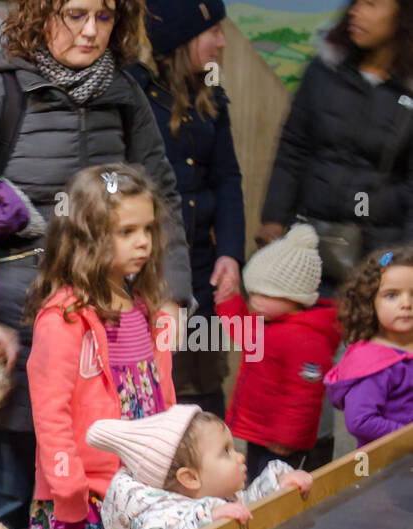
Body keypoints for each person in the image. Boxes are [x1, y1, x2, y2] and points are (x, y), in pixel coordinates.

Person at [0, 0, 191, 529]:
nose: (90, 31)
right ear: (39, 14)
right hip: (23, 327)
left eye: (104, 16)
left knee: (103, 489)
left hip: (113, 328)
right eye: (74, 14)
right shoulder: (1, 93)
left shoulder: (125, 97)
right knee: (13, 500)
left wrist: (173, 295)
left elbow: (162, 198)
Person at [24, 165, 178, 529]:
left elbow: (159, 395)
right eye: (126, 231)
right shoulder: (63, 318)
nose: (143, 241)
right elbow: (50, 415)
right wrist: (70, 491)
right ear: (87, 237)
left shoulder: (144, 306)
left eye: (147, 228)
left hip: (144, 490)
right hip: (90, 499)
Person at [128, 0, 244, 416]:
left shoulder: (211, 92)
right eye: (211, 31)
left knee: (204, 396)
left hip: (202, 273)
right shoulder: (136, 92)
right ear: (180, 35)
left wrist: (230, 253)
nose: (221, 42)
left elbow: (227, 178)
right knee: (154, 395)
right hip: (147, 275)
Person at [257, 0, 413, 285]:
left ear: (402, 15)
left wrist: (404, 260)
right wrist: (274, 220)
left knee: (370, 323)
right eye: (355, 2)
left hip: (382, 256)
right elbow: (293, 147)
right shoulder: (325, 68)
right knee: (302, 326)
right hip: (310, 243)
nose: (355, 11)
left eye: (371, 4)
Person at [91, 405, 314, 529]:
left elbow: (246, 509)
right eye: (226, 452)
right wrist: (205, 517)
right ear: (190, 478)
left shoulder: (220, 497)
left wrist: (279, 483)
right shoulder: (157, 519)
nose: (240, 457)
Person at [224, 225, 342, 479]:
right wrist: (229, 302)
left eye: (267, 295)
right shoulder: (273, 322)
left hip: (282, 442)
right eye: (252, 292)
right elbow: (245, 336)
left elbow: (305, 397)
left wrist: (287, 438)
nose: (255, 301)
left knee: (274, 491)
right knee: (257, 485)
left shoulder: (307, 339)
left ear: (297, 296)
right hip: (261, 432)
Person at [325, 246, 413, 446]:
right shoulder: (373, 363)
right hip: (390, 469)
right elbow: (360, 422)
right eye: (392, 295)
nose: (406, 304)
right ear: (369, 303)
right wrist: (408, 436)